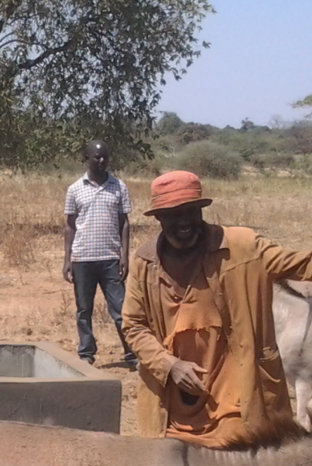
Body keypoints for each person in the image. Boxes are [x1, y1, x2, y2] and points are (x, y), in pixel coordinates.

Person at [122, 169, 312, 448]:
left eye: (190, 211)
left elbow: (301, 263)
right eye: (173, 214)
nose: (184, 222)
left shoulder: (244, 247)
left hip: (239, 402)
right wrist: (170, 366)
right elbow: (133, 325)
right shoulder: (144, 263)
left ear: (201, 210)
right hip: (172, 407)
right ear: (159, 218)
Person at [63, 140, 137, 368]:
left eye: (104, 156)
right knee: (84, 310)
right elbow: (70, 226)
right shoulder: (75, 189)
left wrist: (124, 255)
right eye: (96, 157)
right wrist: (67, 259)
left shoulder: (119, 186)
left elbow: (124, 223)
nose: (101, 161)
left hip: (110, 259)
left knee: (120, 309)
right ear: (86, 159)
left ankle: (132, 353)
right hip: (83, 258)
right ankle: (86, 353)